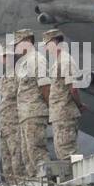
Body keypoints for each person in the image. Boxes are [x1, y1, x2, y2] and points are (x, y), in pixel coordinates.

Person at [39, 28, 84, 161]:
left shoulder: (65, 61)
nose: (47, 49)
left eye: (47, 45)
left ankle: (76, 181)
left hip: (65, 114)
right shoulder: (58, 62)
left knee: (68, 153)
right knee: (62, 152)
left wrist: (79, 105)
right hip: (60, 114)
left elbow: (73, 88)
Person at [13, 29, 47, 175]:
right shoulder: (22, 64)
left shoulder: (37, 59)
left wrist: (49, 109)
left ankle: (46, 181)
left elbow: (45, 86)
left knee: (37, 151)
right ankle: (35, 184)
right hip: (24, 116)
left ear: (27, 41)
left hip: (35, 113)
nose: (15, 48)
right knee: (27, 155)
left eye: (17, 44)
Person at [0, 44, 20, 177]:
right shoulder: (2, 80)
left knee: (18, 160)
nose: (7, 59)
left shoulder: (19, 74)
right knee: (7, 165)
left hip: (15, 123)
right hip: (4, 126)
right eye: (4, 56)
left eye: (9, 55)